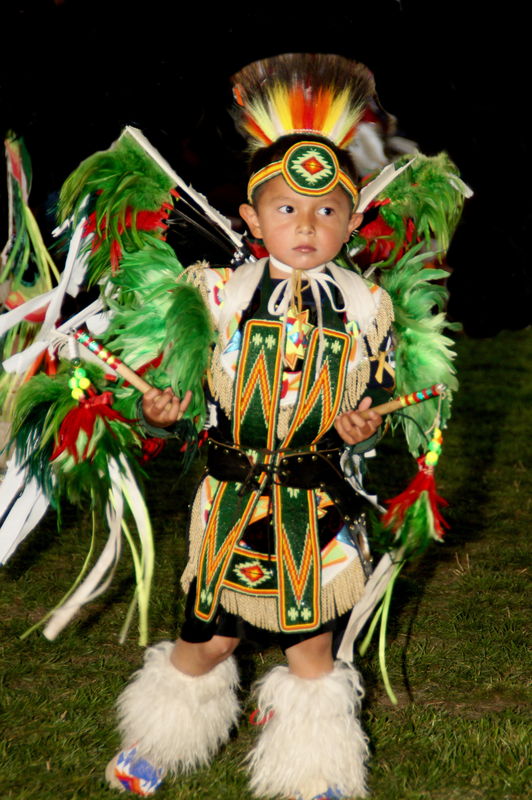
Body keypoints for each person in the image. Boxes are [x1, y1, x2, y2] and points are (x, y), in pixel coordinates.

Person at [106, 54, 396, 800]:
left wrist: (362, 428)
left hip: (316, 512)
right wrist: (157, 408)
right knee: (208, 644)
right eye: (286, 208)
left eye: (326, 209)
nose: (306, 224)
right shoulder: (215, 300)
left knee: (313, 653)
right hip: (230, 509)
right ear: (250, 218)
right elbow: (166, 393)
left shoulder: (368, 309)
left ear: (353, 220)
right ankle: (162, 739)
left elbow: (384, 409)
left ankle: (313, 775)